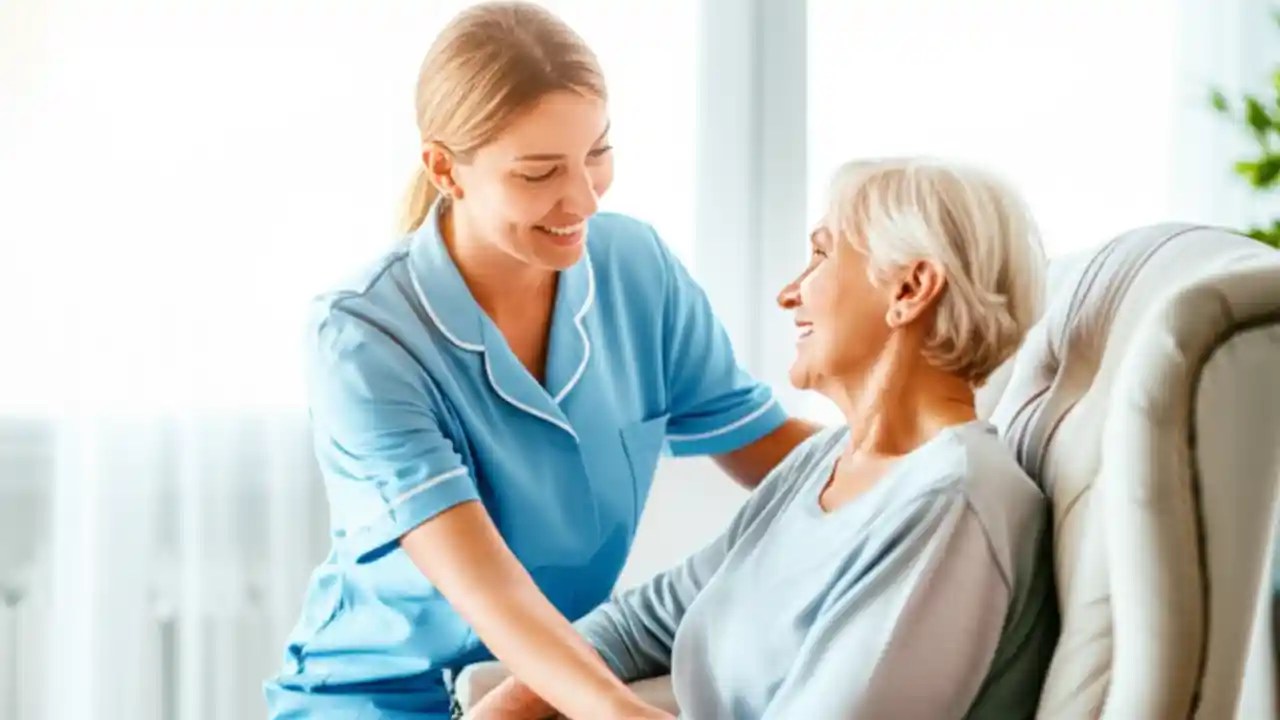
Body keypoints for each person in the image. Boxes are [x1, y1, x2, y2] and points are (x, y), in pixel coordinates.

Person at [263, 3, 816, 718]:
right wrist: (616, 711)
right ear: (445, 169)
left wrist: (929, 470)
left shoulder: (636, 270)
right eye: (539, 173)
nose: (582, 198)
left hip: (548, 686)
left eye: (597, 153)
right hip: (379, 699)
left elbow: (781, 456)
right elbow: (492, 592)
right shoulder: (363, 336)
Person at [471, 157, 1061, 720]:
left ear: (910, 289)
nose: (789, 293)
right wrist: (505, 706)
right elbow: (643, 621)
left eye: (821, 255)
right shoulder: (821, 462)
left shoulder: (954, 502)